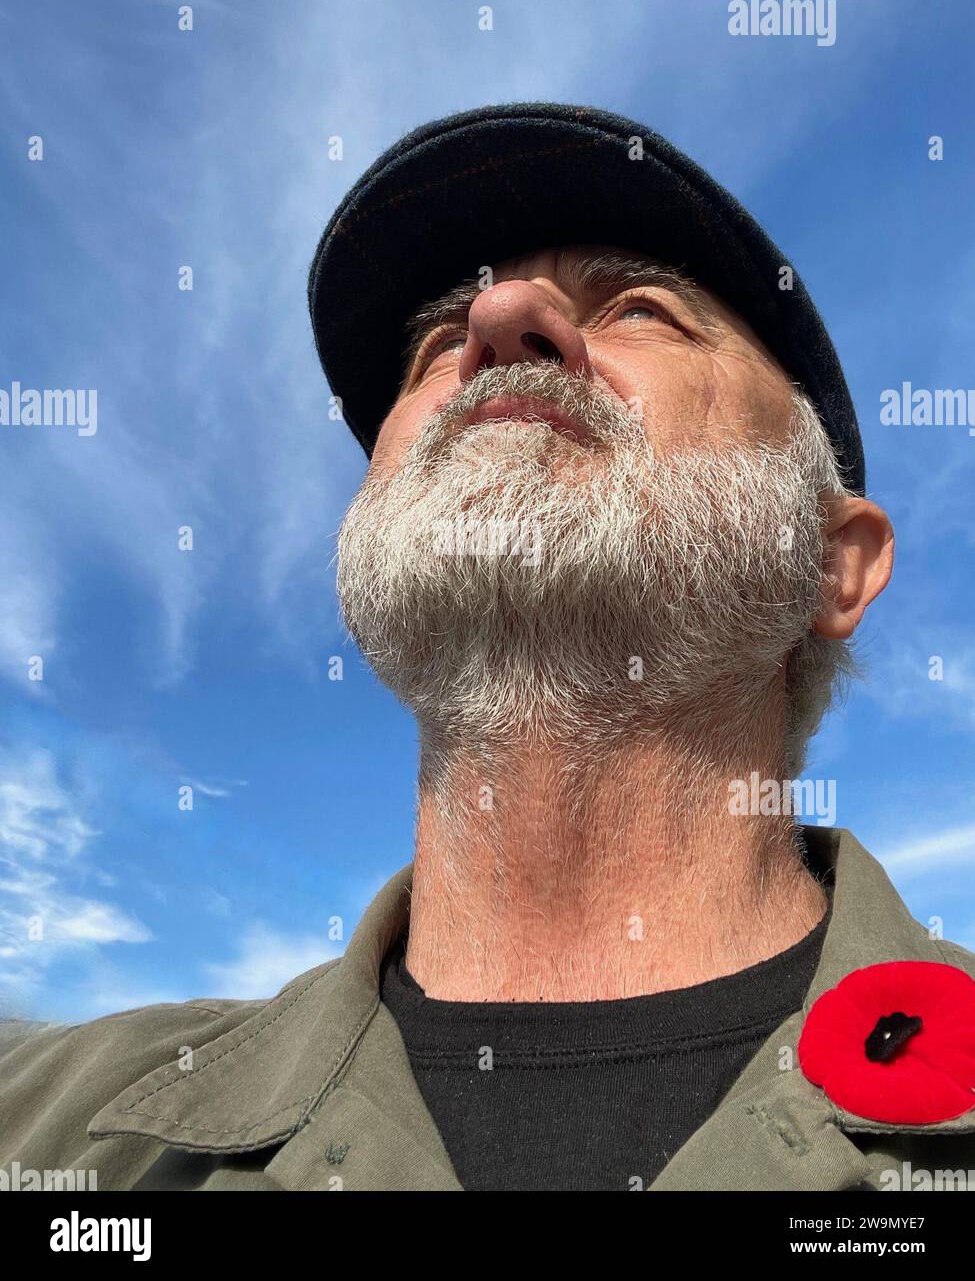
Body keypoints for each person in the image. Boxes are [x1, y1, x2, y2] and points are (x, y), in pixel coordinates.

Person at [2, 104, 972, 1192]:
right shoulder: (53, 1129)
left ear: (833, 564)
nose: (500, 315)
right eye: (432, 346)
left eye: (643, 309)